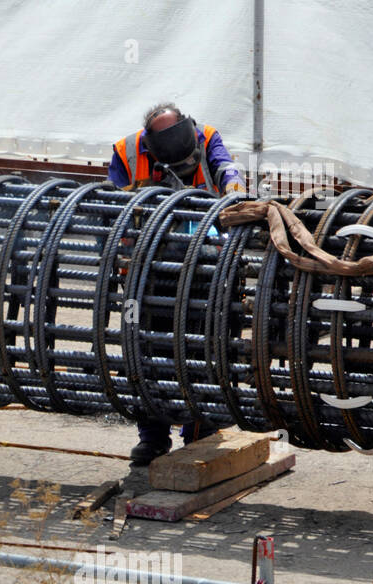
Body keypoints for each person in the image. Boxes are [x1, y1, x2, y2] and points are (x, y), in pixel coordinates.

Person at [107, 102, 247, 465]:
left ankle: (199, 432)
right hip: (147, 272)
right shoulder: (126, 153)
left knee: (202, 347)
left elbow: (227, 169)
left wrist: (233, 188)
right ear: (151, 147)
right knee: (144, 351)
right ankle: (152, 437)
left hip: (202, 266)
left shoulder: (207, 137)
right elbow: (110, 211)